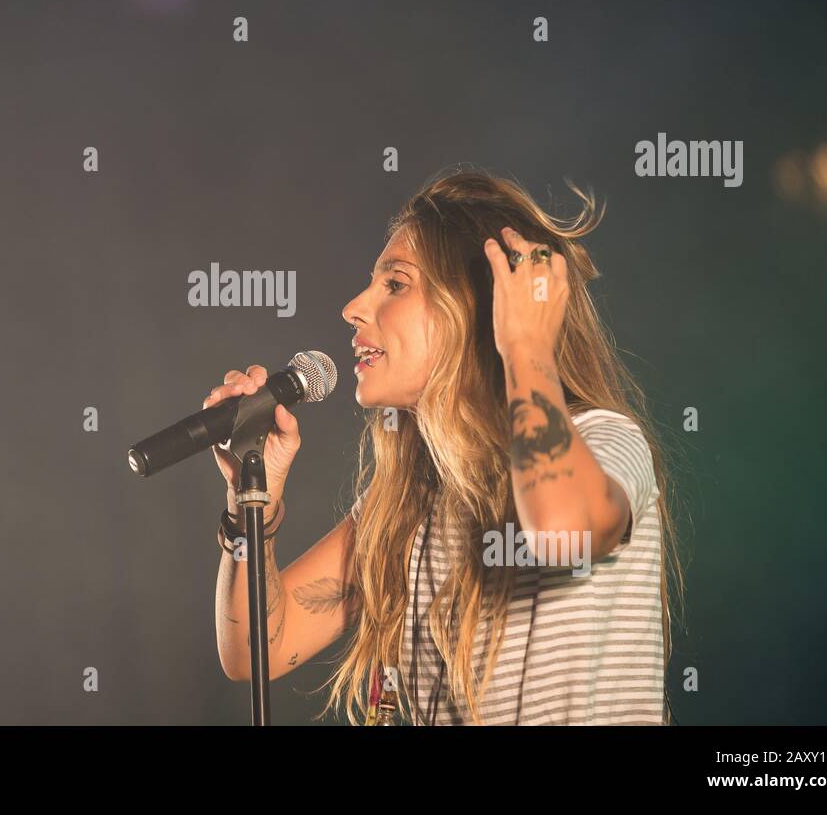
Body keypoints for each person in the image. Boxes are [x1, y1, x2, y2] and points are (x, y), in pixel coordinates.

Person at [211, 166, 682, 725]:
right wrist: (252, 499)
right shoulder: (404, 508)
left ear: (477, 306)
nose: (353, 308)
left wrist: (526, 344)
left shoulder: (601, 439)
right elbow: (255, 651)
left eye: (395, 284)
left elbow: (562, 528)